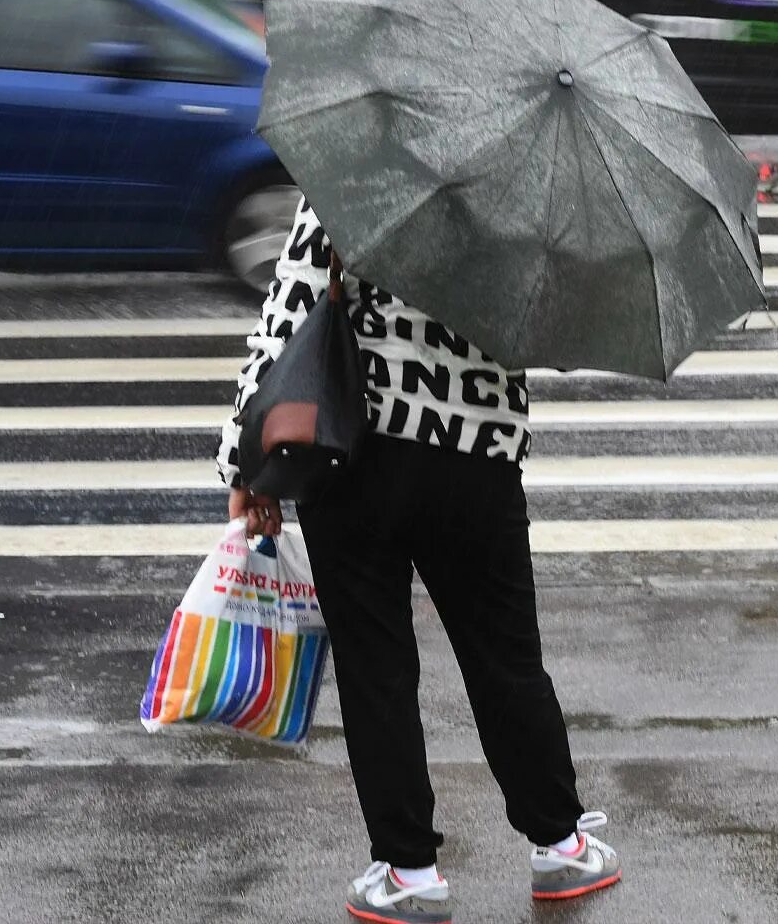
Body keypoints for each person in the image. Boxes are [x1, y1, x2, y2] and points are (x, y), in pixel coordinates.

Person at [217, 197, 621, 924]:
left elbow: (290, 307)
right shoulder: (521, 189)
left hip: (350, 448)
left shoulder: (355, 168)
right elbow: (556, 335)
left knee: (375, 669)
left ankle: (408, 872)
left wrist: (245, 464)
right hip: (473, 455)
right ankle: (560, 845)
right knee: (504, 659)